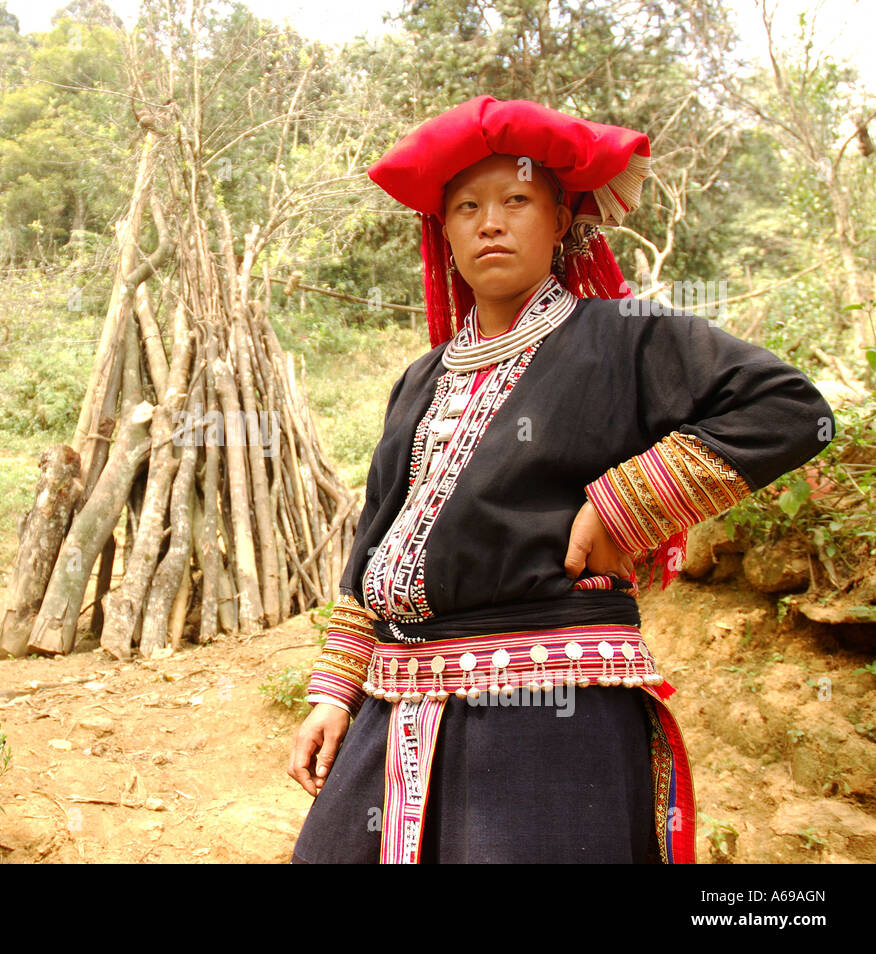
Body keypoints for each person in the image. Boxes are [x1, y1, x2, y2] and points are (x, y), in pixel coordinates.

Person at [286, 96, 835, 864]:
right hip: (396, 699)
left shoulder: (623, 337)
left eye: (517, 200)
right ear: (443, 233)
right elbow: (375, 537)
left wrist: (626, 507)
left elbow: (788, 407)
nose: (491, 222)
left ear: (563, 221)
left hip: (548, 710)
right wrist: (333, 692)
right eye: (467, 207)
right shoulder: (420, 379)